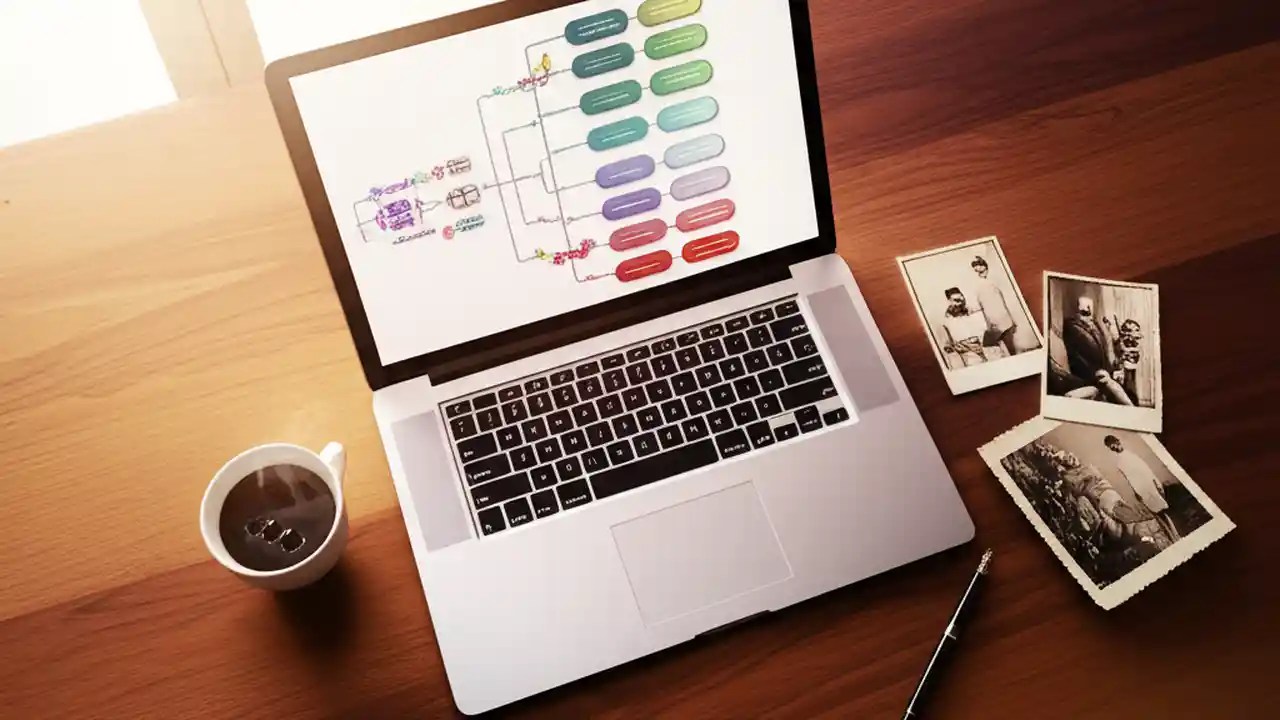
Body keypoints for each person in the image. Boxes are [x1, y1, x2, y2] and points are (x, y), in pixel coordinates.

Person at [1106, 435, 1180, 542]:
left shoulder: (1131, 455)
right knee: (1157, 514)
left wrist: (1156, 483)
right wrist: (1136, 492)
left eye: (1115, 444)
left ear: (1118, 442)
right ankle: (1172, 537)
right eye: (1112, 447)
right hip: (1141, 489)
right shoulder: (1119, 463)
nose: (1115, 447)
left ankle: (1175, 535)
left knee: (1162, 512)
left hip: (1149, 485)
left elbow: (1146, 469)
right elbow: (1129, 478)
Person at [1061, 297, 1132, 404]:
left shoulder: (1096, 327)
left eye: (1090, 308)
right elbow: (1081, 357)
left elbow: (1103, 352)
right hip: (1087, 377)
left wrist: (1111, 371)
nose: (1089, 311)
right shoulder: (1073, 327)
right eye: (1085, 310)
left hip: (1101, 374)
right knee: (1108, 383)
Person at [970, 256, 1021, 355]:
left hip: (1004, 319)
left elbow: (1004, 300)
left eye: (978, 265)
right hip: (993, 322)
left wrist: (1012, 319)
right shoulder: (978, 284)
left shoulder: (994, 279)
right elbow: (982, 304)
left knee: (1011, 348)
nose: (977, 268)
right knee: (997, 350)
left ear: (984, 265)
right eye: (975, 266)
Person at [940, 288, 989, 367]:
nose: (960, 303)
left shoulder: (971, 312)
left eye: (962, 299)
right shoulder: (947, 321)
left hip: (984, 350)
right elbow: (948, 346)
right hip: (969, 356)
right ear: (949, 301)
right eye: (956, 300)